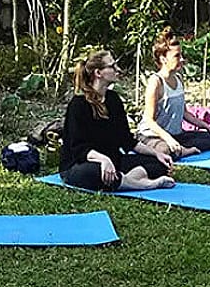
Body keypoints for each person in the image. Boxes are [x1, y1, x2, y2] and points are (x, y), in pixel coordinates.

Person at [60, 49, 175, 191]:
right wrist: (103, 159)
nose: (117, 69)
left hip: (114, 160)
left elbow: (127, 140)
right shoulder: (78, 105)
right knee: (91, 173)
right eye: (112, 66)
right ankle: (146, 184)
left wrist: (157, 154)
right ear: (98, 73)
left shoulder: (113, 99)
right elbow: (79, 148)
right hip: (82, 164)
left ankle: (126, 180)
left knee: (159, 164)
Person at [138, 27, 210, 159]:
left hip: (176, 134)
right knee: (165, 149)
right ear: (163, 59)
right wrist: (168, 139)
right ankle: (182, 150)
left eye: (181, 55)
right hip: (152, 136)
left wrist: (207, 127)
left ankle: (181, 149)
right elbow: (149, 120)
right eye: (177, 56)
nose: (182, 59)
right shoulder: (156, 83)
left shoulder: (178, 78)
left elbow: (185, 113)